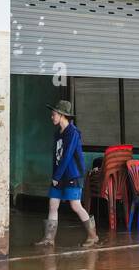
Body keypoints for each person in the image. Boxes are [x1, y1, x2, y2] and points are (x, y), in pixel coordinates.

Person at [36, 100, 98, 248]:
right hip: (59, 174)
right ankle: (49, 238)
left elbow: (68, 156)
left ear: (62, 115)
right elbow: (56, 157)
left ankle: (93, 236)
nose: (52, 117)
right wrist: (55, 176)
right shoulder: (58, 133)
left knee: (75, 205)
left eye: (54, 114)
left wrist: (56, 177)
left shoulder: (73, 133)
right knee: (53, 204)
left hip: (72, 175)